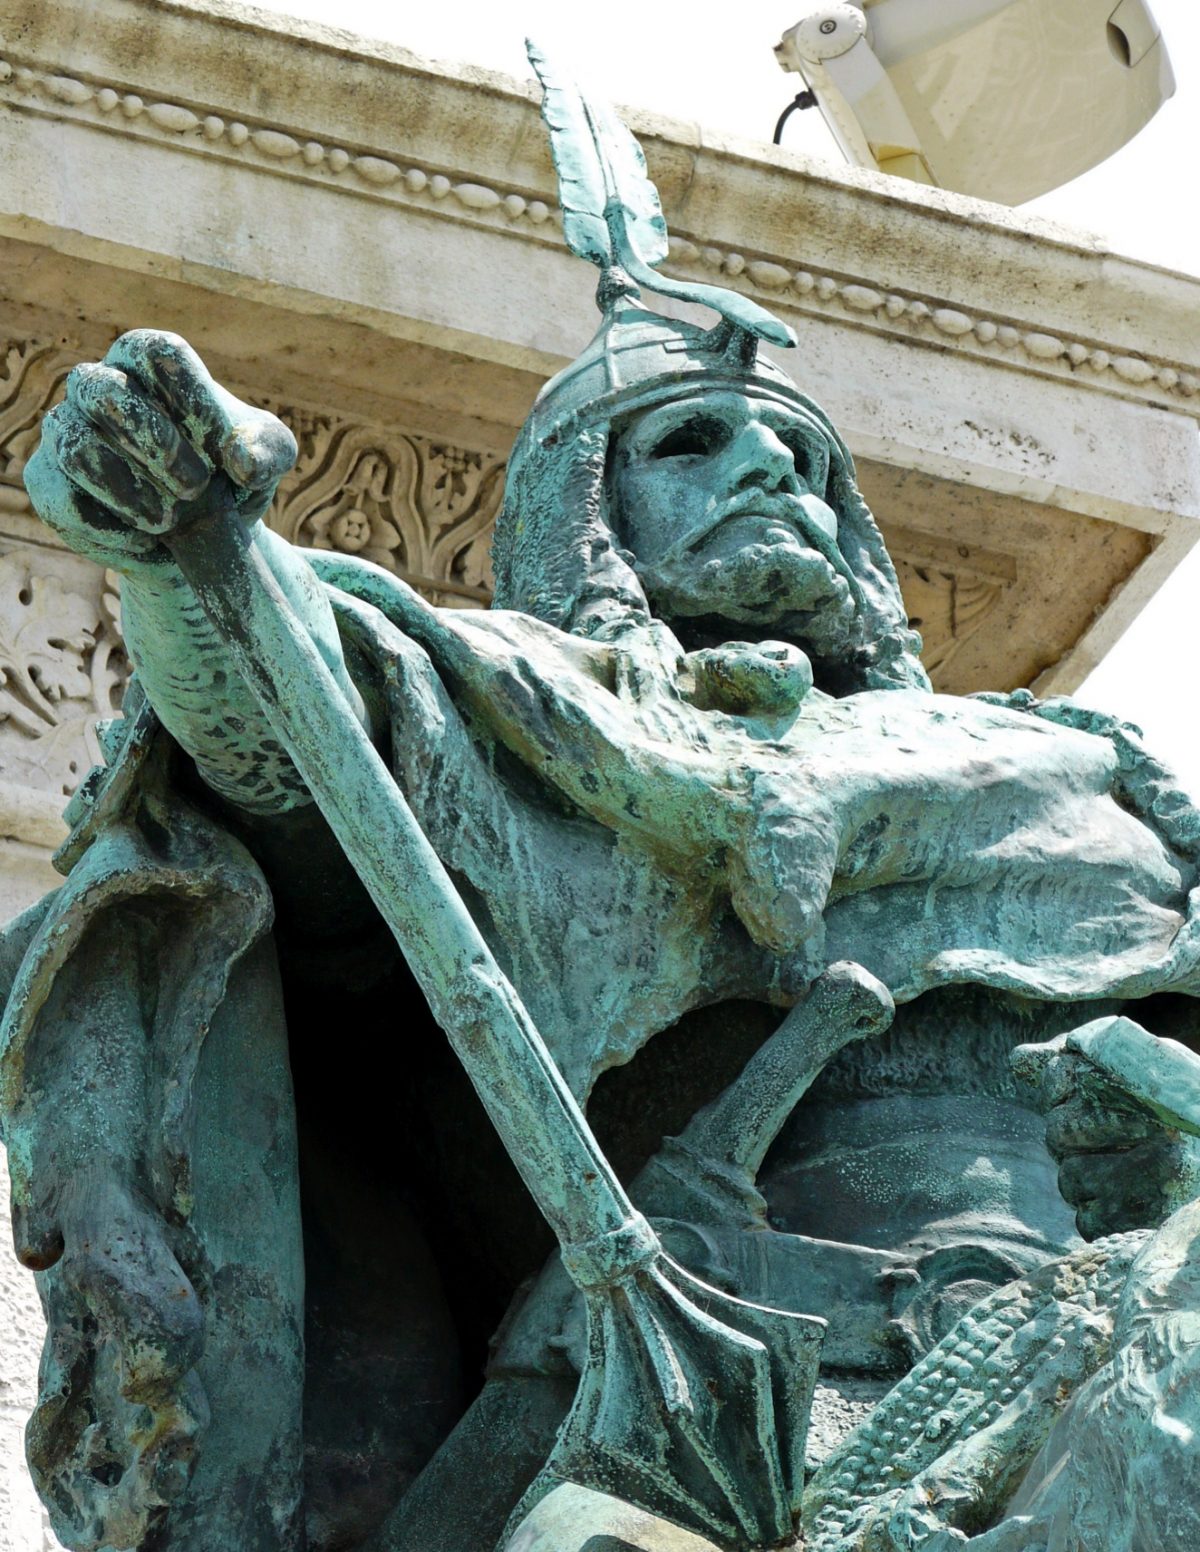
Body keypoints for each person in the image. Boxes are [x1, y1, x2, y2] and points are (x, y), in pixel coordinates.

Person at [5, 54, 1200, 1552]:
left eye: (811, 461)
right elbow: (295, 740)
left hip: (1075, 1352)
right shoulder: (532, 719)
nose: (773, 465)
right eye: (687, 443)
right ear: (587, 507)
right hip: (679, 1420)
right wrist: (177, 557)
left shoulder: (1088, 782)